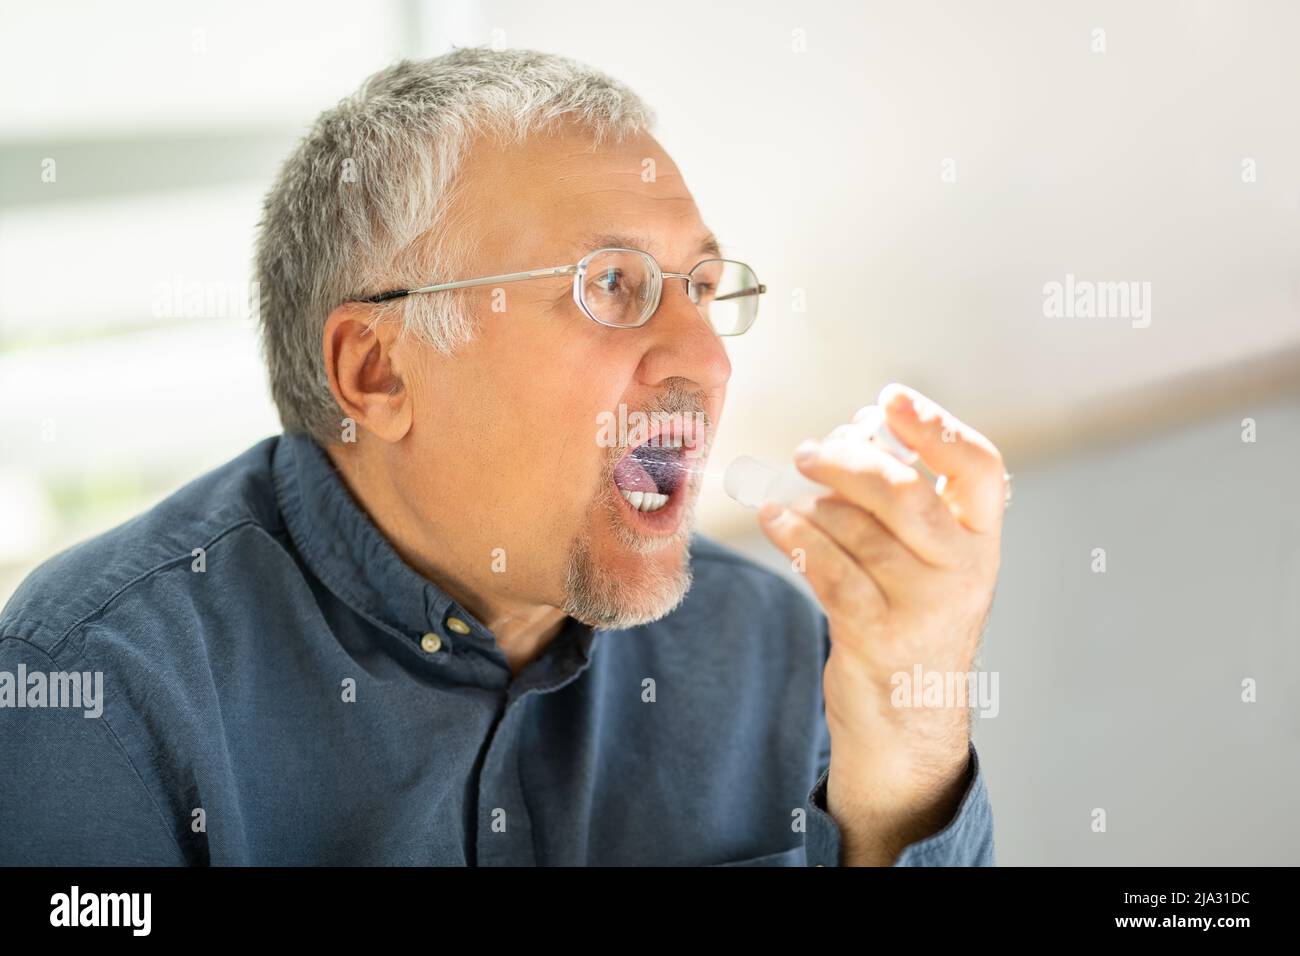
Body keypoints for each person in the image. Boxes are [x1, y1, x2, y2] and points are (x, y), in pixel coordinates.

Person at [0, 48, 1006, 866]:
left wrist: (906, 760)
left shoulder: (775, 645)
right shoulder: (93, 686)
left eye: (702, 286)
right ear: (378, 372)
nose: (704, 358)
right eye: (611, 284)